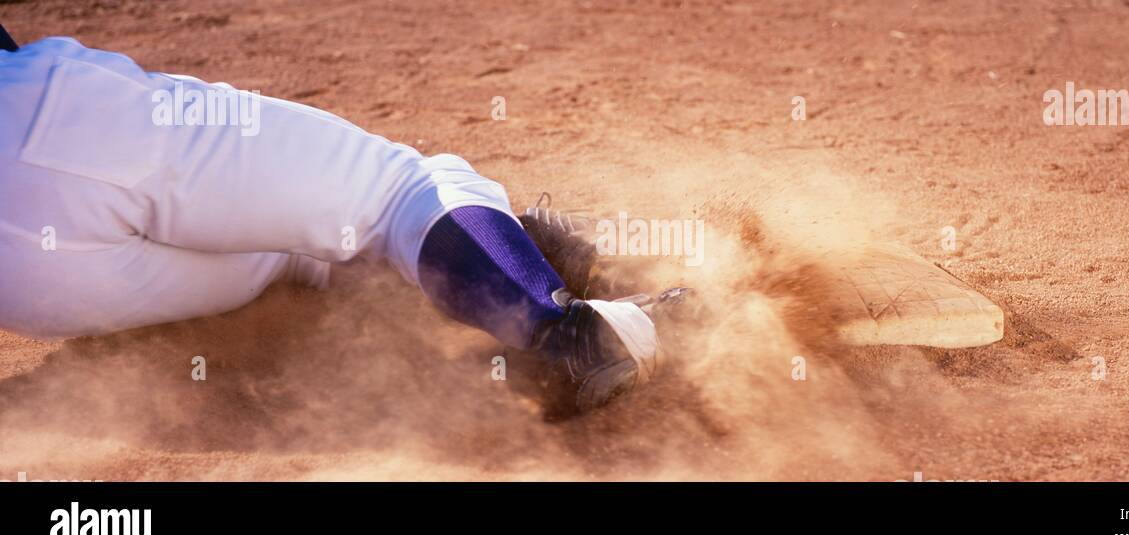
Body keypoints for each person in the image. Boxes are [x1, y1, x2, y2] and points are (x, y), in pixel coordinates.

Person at [0, 34, 668, 416]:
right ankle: (567, 333)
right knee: (398, 191)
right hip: (42, 128)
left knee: (297, 256)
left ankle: (527, 253)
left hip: (28, 289)